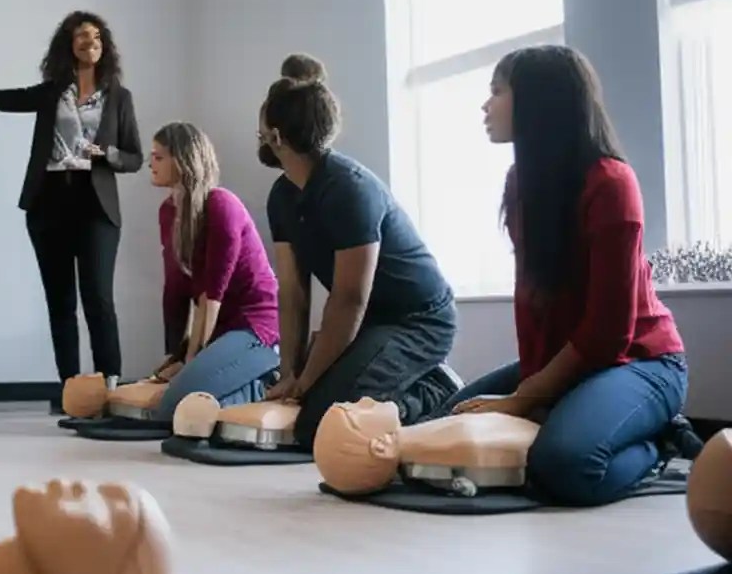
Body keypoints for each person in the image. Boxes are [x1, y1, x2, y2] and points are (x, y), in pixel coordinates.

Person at [439, 44, 694, 506]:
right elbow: (533, 306)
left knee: (563, 464)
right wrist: (532, 393)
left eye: (497, 91)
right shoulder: (521, 184)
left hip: (640, 361)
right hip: (573, 363)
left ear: (538, 100)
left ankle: (659, 445)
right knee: (444, 422)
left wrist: (527, 397)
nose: (485, 105)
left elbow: (608, 333)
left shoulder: (611, 183)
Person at [257, 54, 460, 448]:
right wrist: (288, 375)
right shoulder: (281, 197)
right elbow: (293, 293)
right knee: (309, 407)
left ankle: (434, 390)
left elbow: (349, 299)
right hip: (370, 322)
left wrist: (307, 383)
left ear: (276, 137)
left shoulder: (349, 189)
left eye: (261, 130)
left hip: (418, 320)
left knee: (321, 421)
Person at [0, 14, 143, 412]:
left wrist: (107, 154)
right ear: (68, 45)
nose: (90, 41)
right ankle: (71, 390)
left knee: (98, 299)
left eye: (97, 36)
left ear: (104, 46)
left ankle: (110, 389)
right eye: (82, 35)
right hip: (49, 201)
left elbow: (135, 157)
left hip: (96, 204)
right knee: (61, 303)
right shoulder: (52, 92)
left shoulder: (119, 97)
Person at [147, 123, 281, 419]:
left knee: (174, 406)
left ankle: (265, 379)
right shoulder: (168, 212)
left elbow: (212, 293)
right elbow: (175, 290)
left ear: (182, 160)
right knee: (172, 402)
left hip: (254, 328)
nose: (150, 163)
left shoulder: (221, 204)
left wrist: (192, 360)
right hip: (219, 330)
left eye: (158, 157)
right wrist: (175, 354)